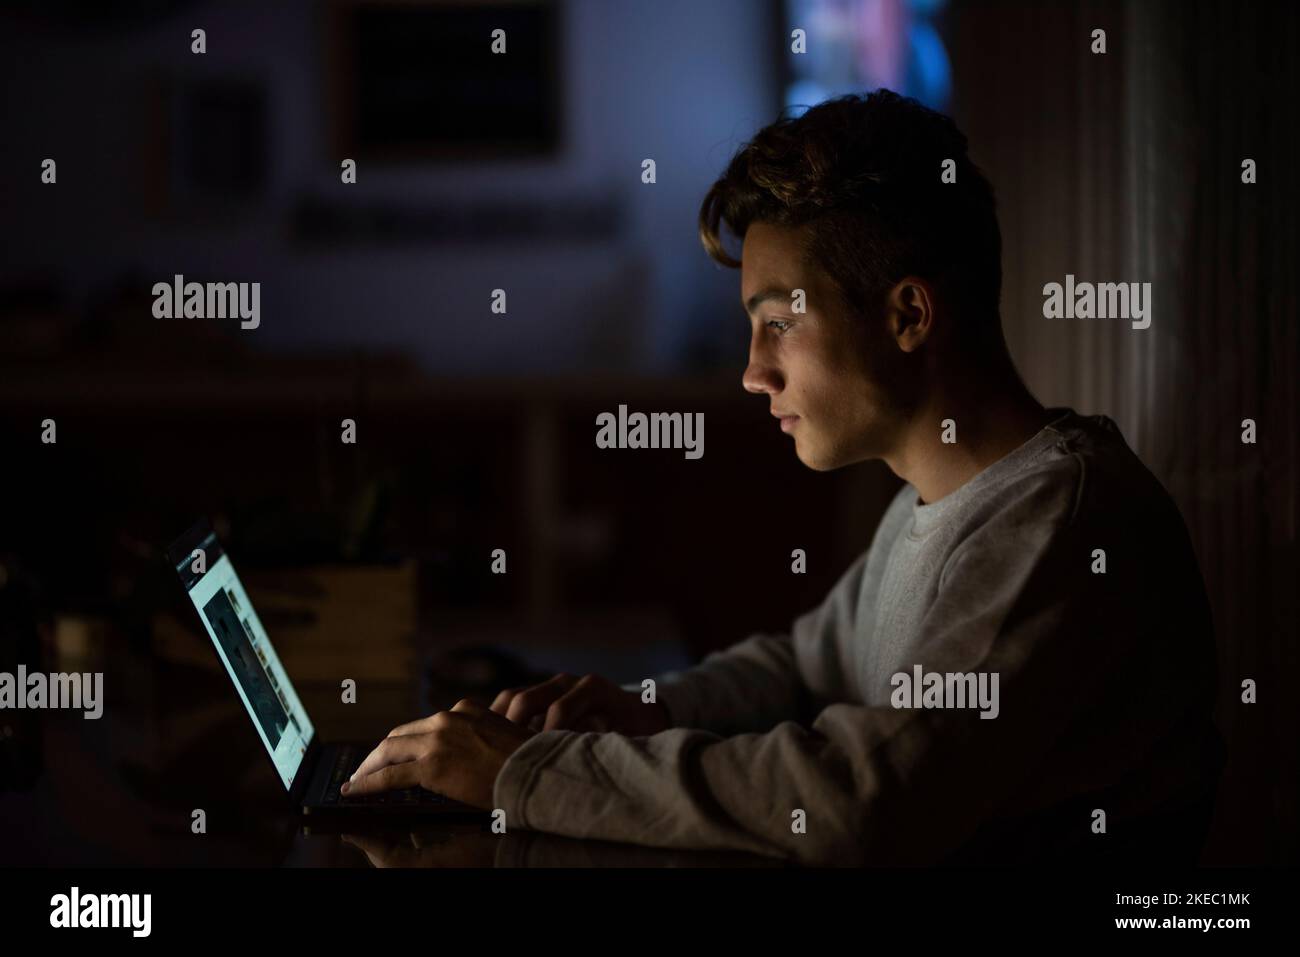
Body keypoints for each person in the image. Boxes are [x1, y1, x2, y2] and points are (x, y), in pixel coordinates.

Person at [343, 90, 1224, 865]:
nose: (753, 373)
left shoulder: (1058, 524)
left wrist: (527, 773)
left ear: (909, 314)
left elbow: (858, 801)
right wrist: (646, 709)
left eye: (778, 325)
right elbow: (806, 665)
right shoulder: (946, 497)